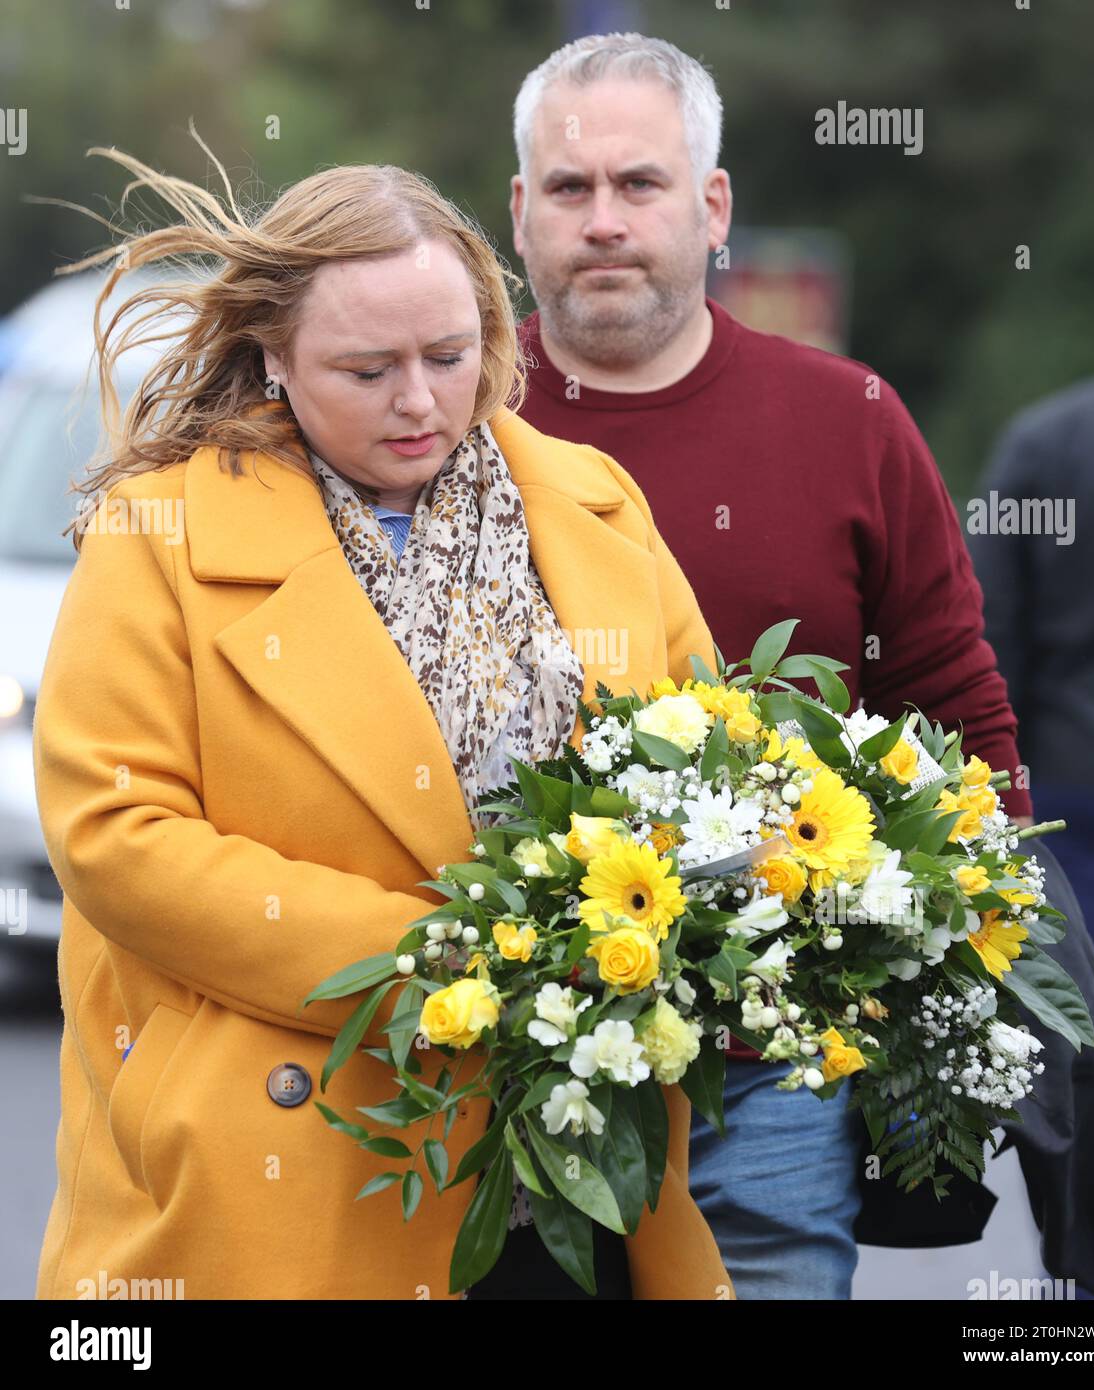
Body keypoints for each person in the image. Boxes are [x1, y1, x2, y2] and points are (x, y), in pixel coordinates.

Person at [31, 135, 732, 1300]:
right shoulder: (157, 532)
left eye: (447, 356)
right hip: (293, 1163)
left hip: (566, 1156)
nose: (419, 402)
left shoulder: (595, 506)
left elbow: (706, 772)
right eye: (366, 370)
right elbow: (117, 835)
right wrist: (435, 963)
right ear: (273, 357)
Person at [507, 31, 1034, 1299]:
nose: (603, 222)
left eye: (638, 184)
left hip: (776, 1064)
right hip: (505, 1046)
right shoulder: (444, 422)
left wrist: (986, 949)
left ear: (712, 204)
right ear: (518, 213)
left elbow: (950, 696)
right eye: (568, 191)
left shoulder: (844, 419)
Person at [970, 207, 1094, 981]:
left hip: (1080, 775)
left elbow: (987, 628)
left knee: (1075, 1015)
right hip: (1083, 773)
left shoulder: (1045, 440)